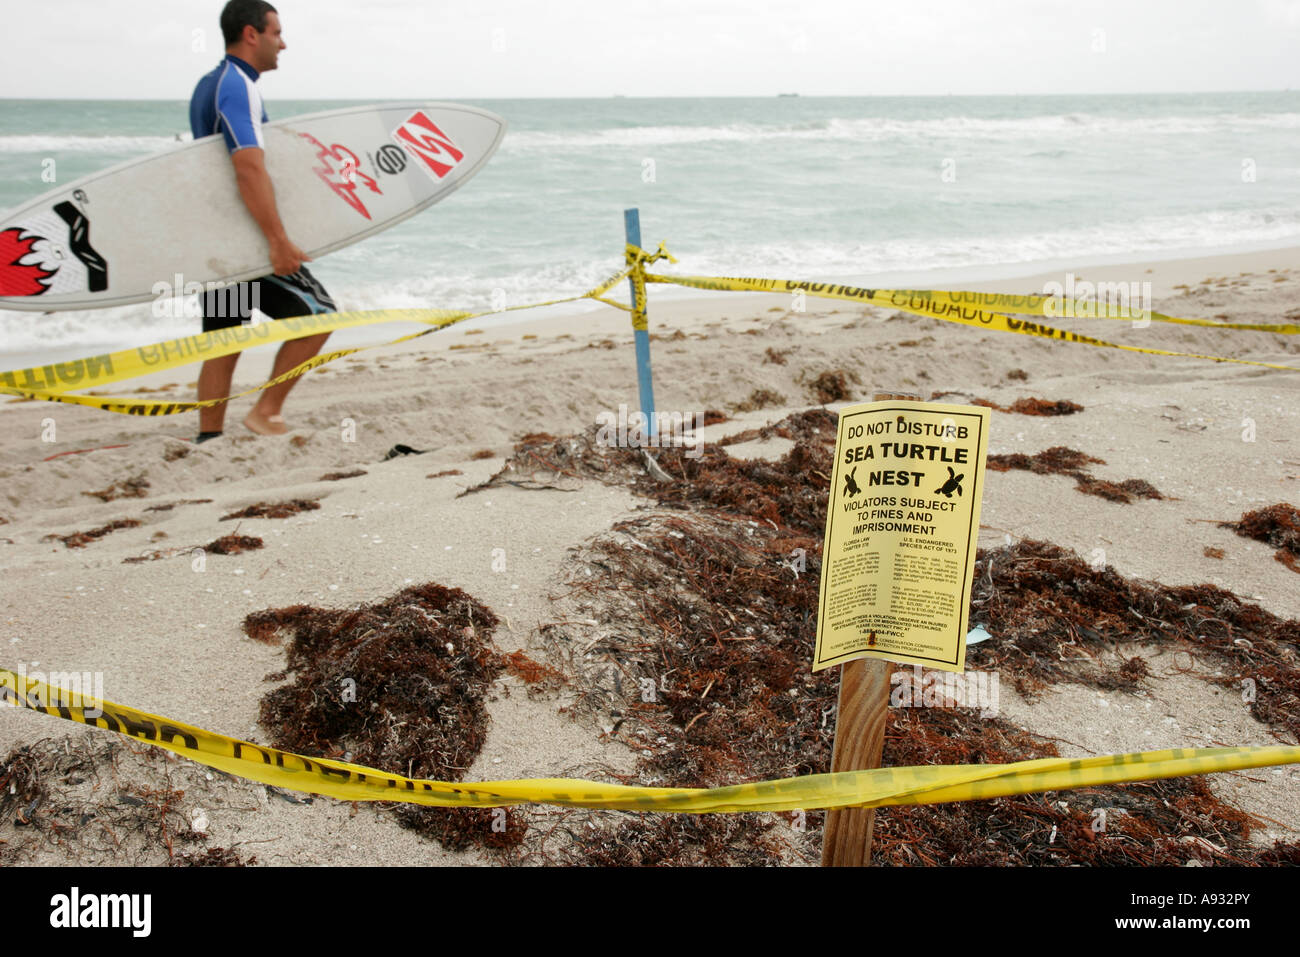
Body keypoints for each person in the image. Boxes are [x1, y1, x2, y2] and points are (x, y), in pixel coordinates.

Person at [188, 0, 333, 441]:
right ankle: (265, 413)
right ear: (252, 34)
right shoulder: (238, 86)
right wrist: (277, 240)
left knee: (225, 339)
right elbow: (248, 166)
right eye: (276, 33)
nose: (282, 44)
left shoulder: (209, 83)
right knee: (320, 317)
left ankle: (209, 437)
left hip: (217, 238)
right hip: (247, 241)